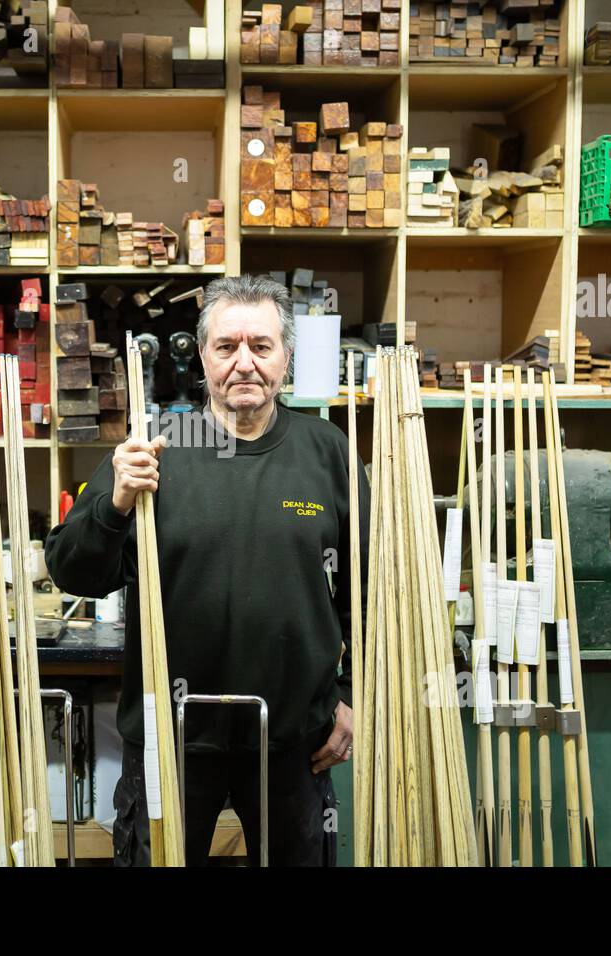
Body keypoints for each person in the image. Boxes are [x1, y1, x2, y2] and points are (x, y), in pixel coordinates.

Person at [44, 274, 369, 866]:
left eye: (261, 346)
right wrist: (115, 505)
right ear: (202, 356)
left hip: (294, 739)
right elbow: (71, 571)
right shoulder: (156, 448)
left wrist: (349, 695)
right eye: (226, 347)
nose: (244, 363)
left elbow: (367, 591)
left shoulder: (328, 452)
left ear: (286, 357)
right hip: (170, 738)